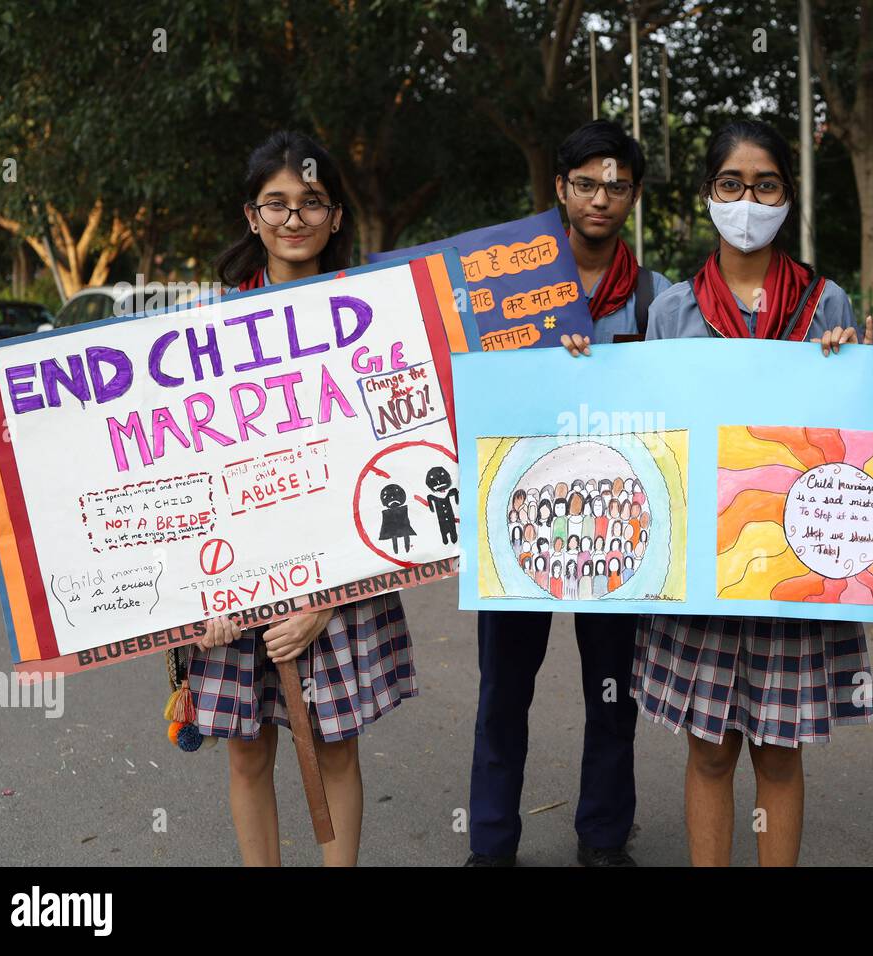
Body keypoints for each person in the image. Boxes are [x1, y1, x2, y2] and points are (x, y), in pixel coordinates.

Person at [563, 119, 873, 867]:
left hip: (795, 564)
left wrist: (854, 365)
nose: (748, 200)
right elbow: (648, 434)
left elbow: (860, 438)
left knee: (779, 752)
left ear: (787, 197)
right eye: (731, 185)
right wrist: (582, 369)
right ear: (709, 196)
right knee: (708, 751)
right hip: (704, 566)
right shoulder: (672, 310)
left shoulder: (826, 304)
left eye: (765, 185)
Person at [190, 130, 416, 867]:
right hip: (231, 583)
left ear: (337, 216)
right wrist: (207, 584)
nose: (294, 219)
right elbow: (183, 468)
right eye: (276, 204)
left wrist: (325, 595)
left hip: (345, 579)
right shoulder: (204, 333)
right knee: (248, 751)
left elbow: (398, 465)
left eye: (311, 203)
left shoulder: (380, 319)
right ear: (250, 217)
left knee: (332, 747)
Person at [466, 120, 670, 867]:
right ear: (560, 189)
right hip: (518, 520)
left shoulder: (658, 300)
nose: (601, 198)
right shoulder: (506, 293)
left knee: (613, 694)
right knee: (502, 695)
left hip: (617, 527)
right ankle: (489, 843)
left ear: (634, 196)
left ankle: (604, 837)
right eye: (585, 183)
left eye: (617, 186)